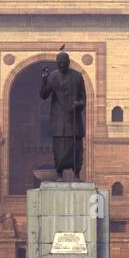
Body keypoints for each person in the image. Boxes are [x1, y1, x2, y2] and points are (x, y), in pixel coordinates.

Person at [40, 51, 86, 179]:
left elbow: (84, 99)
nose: (61, 65)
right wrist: (44, 79)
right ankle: (59, 174)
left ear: (68, 63)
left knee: (76, 150)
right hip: (58, 120)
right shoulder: (52, 77)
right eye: (59, 63)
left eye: (64, 63)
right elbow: (44, 95)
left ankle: (76, 174)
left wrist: (78, 104)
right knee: (59, 150)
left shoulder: (77, 76)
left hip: (73, 120)